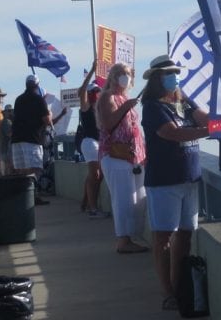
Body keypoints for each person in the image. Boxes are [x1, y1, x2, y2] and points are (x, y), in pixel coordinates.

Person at [140, 55, 209, 311]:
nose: (174, 77)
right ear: (158, 78)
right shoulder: (153, 107)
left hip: (189, 178)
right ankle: (168, 291)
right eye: (169, 73)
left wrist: (220, 121)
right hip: (164, 181)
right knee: (163, 237)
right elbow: (172, 133)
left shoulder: (184, 103)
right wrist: (208, 131)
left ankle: (181, 285)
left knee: (186, 233)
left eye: (175, 72)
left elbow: (203, 117)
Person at [96, 61, 147, 254]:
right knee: (123, 200)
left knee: (138, 199)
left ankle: (131, 237)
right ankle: (123, 241)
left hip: (133, 157)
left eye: (128, 73)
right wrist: (125, 107)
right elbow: (108, 124)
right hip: (116, 156)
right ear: (114, 77)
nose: (126, 77)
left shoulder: (125, 97)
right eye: (122, 73)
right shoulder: (108, 97)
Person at [11, 74, 52, 204]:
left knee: (22, 171)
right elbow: (47, 121)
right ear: (37, 85)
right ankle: (32, 197)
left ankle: (23, 197)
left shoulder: (18, 99)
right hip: (32, 140)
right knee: (35, 169)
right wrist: (50, 113)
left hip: (17, 139)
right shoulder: (39, 100)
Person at [77, 64, 106, 218]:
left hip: (100, 143)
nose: (96, 93)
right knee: (95, 174)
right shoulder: (86, 107)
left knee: (98, 175)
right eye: (93, 91)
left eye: (97, 91)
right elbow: (81, 92)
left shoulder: (101, 109)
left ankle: (86, 202)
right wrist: (93, 70)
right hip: (89, 142)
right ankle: (93, 209)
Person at [0, 104, 14, 175]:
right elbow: (10, 134)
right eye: (8, 111)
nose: (10, 112)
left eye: (11, 111)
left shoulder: (9, 121)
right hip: (5, 150)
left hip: (5, 150)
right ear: (4, 112)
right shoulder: (6, 121)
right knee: (7, 172)